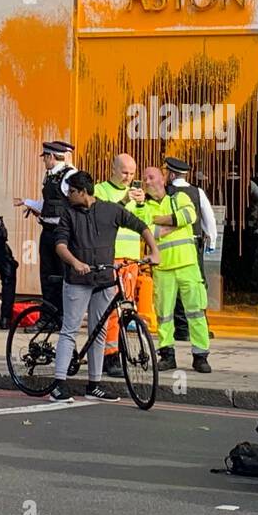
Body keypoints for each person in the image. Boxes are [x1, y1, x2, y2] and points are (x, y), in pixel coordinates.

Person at [49, 171, 160, 402]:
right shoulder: (69, 215)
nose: (68, 196)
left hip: (104, 279)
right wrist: (75, 262)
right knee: (70, 330)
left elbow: (142, 227)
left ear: (82, 192)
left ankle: (94, 385)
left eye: (71, 192)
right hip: (78, 280)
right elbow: (60, 245)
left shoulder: (110, 210)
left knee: (98, 332)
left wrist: (154, 251)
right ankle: (58, 385)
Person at [142, 165, 211, 372]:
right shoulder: (144, 206)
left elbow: (190, 216)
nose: (147, 181)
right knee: (164, 315)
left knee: (196, 312)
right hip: (163, 267)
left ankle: (201, 356)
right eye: (144, 178)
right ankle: (167, 354)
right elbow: (147, 230)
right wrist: (174, 222)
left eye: (151, 177)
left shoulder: (179, 197)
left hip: (188, 265)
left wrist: (160, 222)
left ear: (163, 179)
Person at [93, 154, 152, 377]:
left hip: (130, 260)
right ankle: (109, 356)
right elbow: (104, 217)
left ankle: (117, 350)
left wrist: (142, 203)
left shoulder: (136, 195)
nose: (128, 178)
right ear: (113, 169)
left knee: (125, 309)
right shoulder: (101, 190)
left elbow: (145, 222)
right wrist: (125, 201)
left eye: (132, 174)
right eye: (124, 172)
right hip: (110, 258)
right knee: (109, 310)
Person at [14, 141, 77, 315]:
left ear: (50, 157)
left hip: (62, 233)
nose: (44, 162)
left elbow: (74, 205)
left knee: (62, 274)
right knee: (47, 275)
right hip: (48, 231)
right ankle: (48, 316)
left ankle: (63, 316)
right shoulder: (50, 176)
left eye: (45, 158)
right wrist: (28, 203)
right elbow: (48, 204)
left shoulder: (69, 176)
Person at [163, 157, 216, 343]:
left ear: (170, 174)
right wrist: (212, 241)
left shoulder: (165, 192)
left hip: (169, 245)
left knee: (175, 287)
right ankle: (201, 326)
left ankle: (181, 328)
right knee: (196, 285)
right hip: (193, 243)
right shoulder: (197, 191)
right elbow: (208, 218)